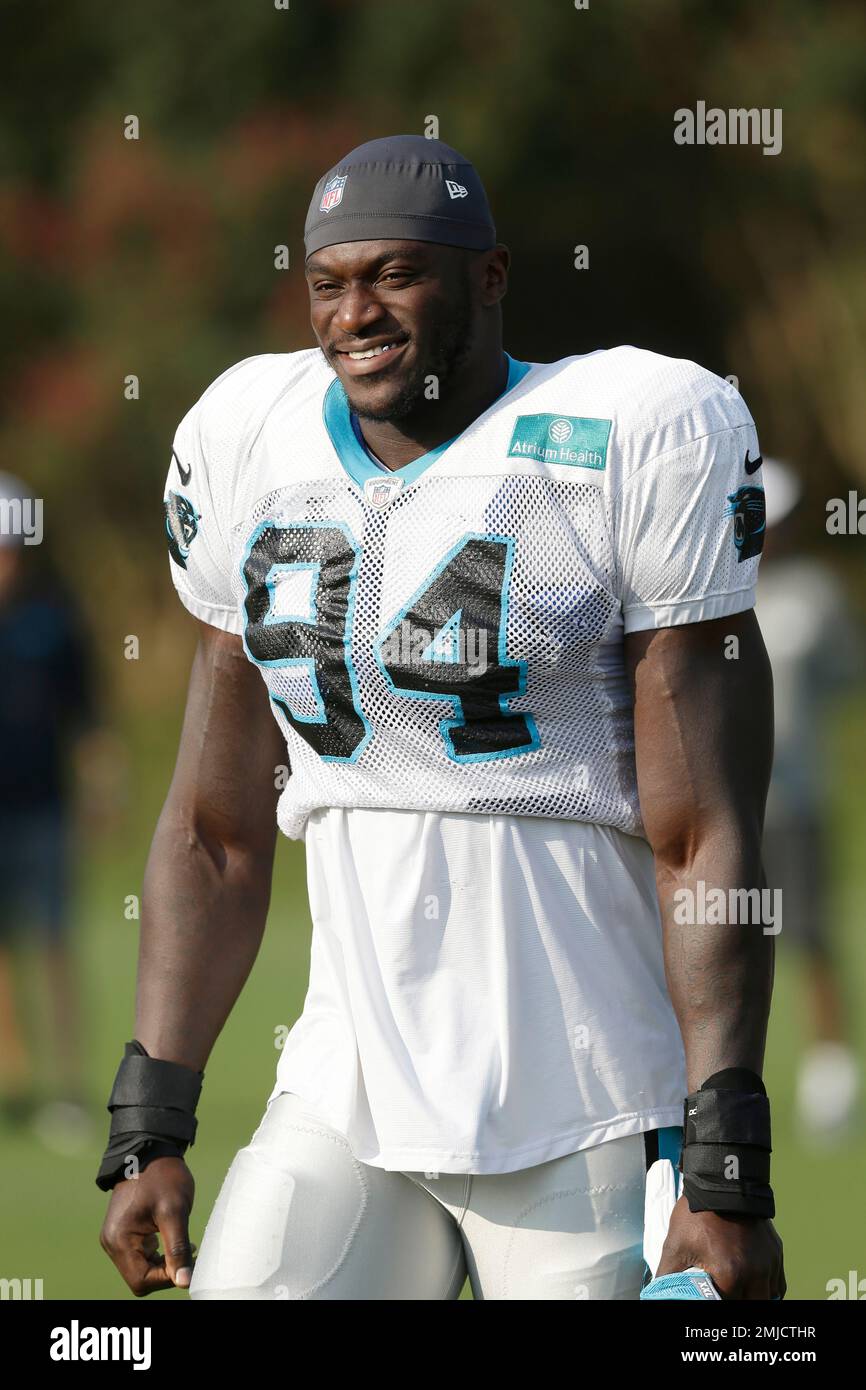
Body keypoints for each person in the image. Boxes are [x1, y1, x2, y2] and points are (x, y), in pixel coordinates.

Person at [98, 135, 784, 1300]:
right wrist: (150, 1122)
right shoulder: (248, 439)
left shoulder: (632, 433)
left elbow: (704, 835)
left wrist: (721, 1161)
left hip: (584, 1100)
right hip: (345, 1090)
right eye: (328, 281)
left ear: (490, 276)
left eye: (396, 275)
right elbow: (214, 830)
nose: (354, 312)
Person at [757, 458, 862, 1142]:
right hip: (718, 808)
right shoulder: (704, 596)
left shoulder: (814, 595)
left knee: (810, 935)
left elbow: (845, 682)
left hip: (794, 803)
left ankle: (832, 1077)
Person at [0, 471, 95, 1152]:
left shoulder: (53, 618)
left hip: (45, 807)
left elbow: (88, 716)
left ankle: (68, 1086)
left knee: (54, 944)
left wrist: (103, 786)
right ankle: (16, 1088)